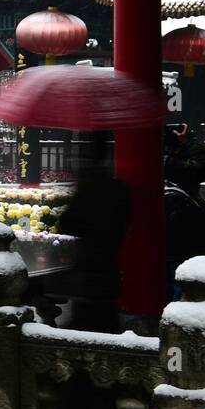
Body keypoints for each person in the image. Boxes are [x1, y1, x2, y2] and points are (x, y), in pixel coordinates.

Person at [56, 131, 129, 332]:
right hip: (111, 264)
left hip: (88, 266)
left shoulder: (87, 189)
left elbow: (66, 222)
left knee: (86, 319)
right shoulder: (120, 189)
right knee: (107, 318)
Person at [163, 123, 205, 301]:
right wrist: (189, 140)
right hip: (185, 237)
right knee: (182, 290)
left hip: (164, 238)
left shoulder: (160, 160)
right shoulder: (171, 163)